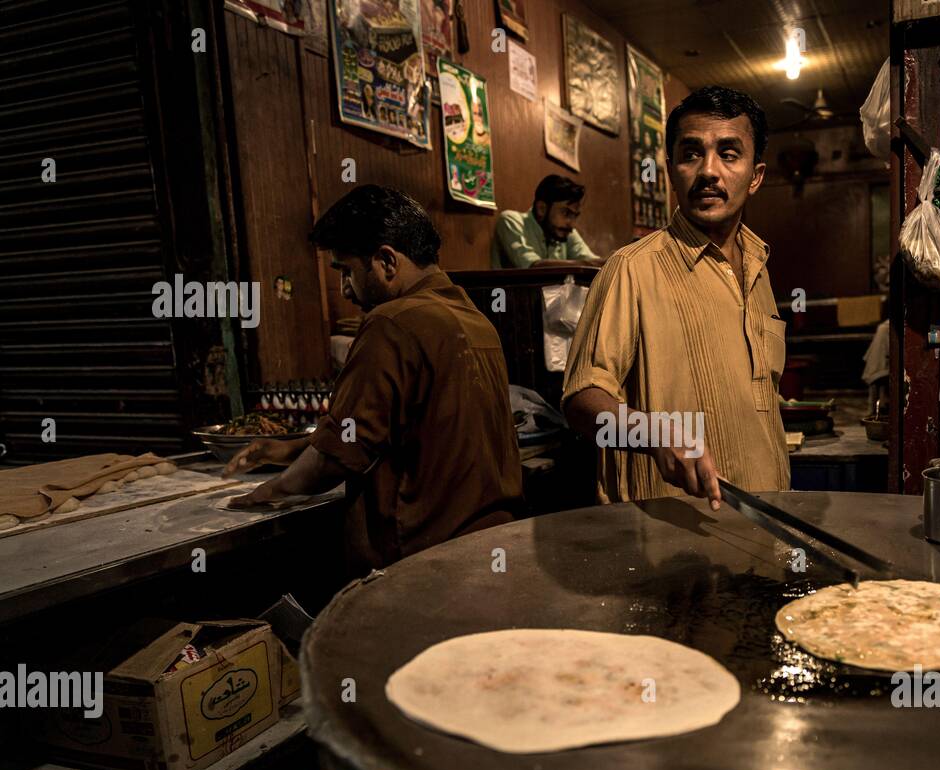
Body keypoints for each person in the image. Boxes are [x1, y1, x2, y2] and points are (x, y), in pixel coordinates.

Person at [225, 185, 524, 574]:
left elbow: (336, 460)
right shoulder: (473, 319)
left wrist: (267, 493)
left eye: (346, 271)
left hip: (423, 565)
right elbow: (400, 429)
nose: (345, 289)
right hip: (489, 547)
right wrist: (293, 449)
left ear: (385, 261)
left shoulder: (392, 322)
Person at [562, 85, 788, 508]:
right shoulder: (631, 269)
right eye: (691, 154)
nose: (708, 171)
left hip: (765, 524)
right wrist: (651, 434)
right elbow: (580, 405)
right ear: (670, 171)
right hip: (668, 538)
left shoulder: (760, 268)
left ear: (755, 177)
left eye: (729, 153)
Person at [491, 175, 602, 268]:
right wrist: (587, 264)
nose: (572, 223)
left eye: (575, 216)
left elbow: (592, 261)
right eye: (566, 213)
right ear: (542, 209)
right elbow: (533, 267)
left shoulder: (564, 231)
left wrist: (611, 262)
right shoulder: (511, 221)